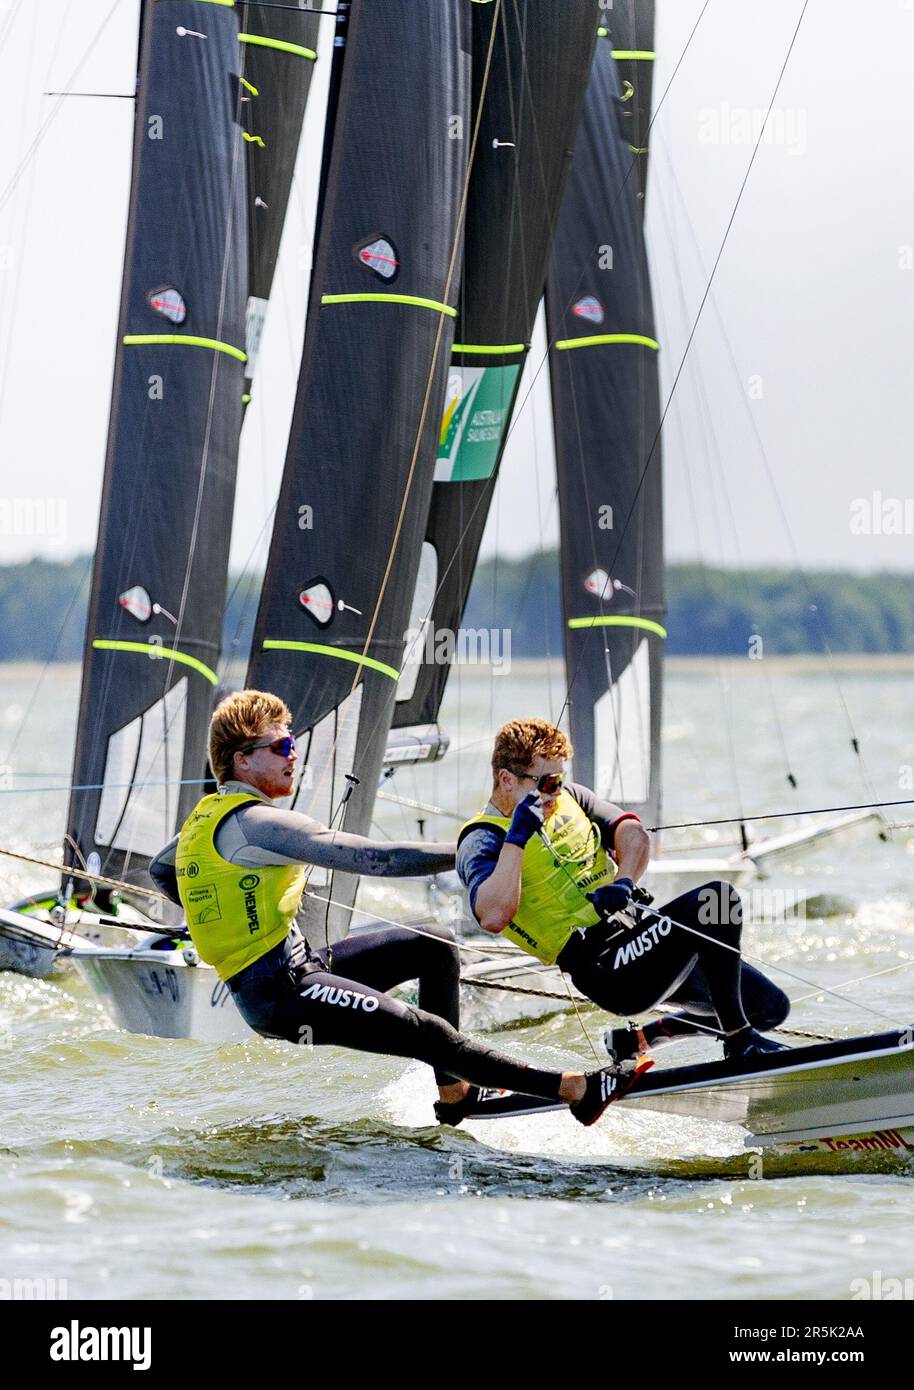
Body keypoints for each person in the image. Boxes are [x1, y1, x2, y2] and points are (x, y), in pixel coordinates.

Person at [150, 690, 628, 1128]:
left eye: (292, 743)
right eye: (280, 748)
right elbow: (374, 858)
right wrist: (472, 847)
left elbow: (161, 871)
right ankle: (575, 1090)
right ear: (241, 761)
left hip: (297, 966)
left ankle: (455, 1092)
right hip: (279, 996)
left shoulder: (202, 821)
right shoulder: (261, 824)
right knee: (426, 1031)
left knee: (432, 944)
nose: (293, 755)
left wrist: (227, 912)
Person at [457, 718, 790, 1065]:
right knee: (715, 901)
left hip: (640, 940)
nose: (555, 791)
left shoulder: (572, 798)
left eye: (560, 779)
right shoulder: (481, 838)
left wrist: (624, 881)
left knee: (767, 1007)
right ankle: (740, 1043)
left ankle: (639, 1040)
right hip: (603, 967)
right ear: (507, 779)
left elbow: (633, 832)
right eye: (547, 782)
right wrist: (517, 837)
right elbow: (493, 916)